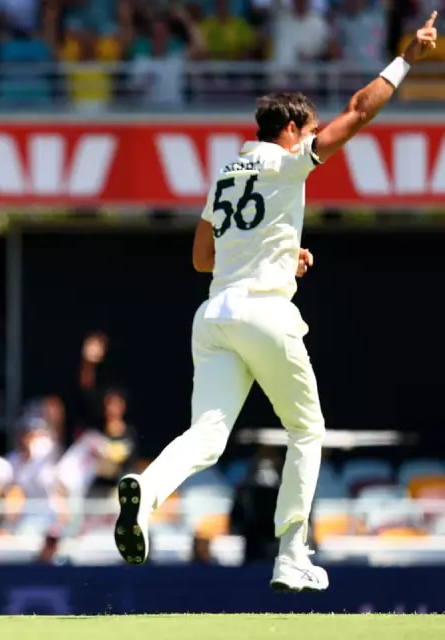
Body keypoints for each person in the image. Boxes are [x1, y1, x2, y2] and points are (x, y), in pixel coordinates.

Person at [114, 13, 438, 592]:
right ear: (290, 127)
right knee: (307, 430)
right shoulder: (290, 162)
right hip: (264, 311)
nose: (313, 135)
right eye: (308, 127)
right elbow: (361, 110)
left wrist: (282, 256)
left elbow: (201, 258)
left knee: (205, 437)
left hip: (214, 316)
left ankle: (148, 495)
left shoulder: (224, 175)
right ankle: (292, 552)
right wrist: (406, 57)